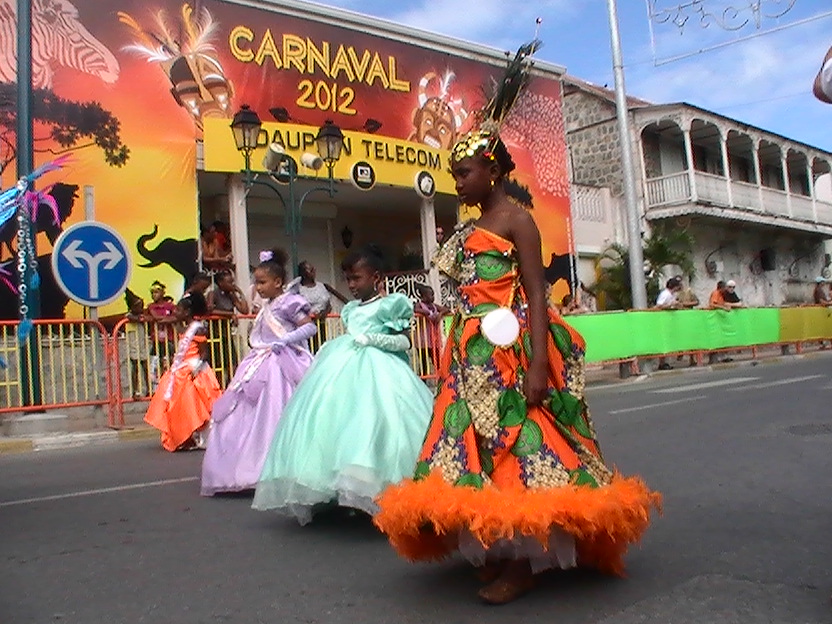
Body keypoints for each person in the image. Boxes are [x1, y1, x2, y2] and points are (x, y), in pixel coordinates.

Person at [373, 43, 660, 606]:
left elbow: (534, 297)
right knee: (477, 453)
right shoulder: (473, 224)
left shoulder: (518, 221)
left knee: (519, 450)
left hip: (505, 359)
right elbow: (463, 292)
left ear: (495, 169)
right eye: (454, 172)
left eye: (465, 171)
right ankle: (501, 549)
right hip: (468, 361)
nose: (458, 180)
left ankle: (525, 562)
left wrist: (534, 365)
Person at [252, 245, 433, 523]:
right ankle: (342, 489)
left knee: (381, 425)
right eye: (348, 279)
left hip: (383, 372)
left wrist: (373, 340)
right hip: (346, 370)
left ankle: (388, 491)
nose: (351, 285)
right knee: (338, 422)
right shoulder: (349, 310)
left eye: (357, 278)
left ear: (376, 277)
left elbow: (404, 342)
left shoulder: (392, 304)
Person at [201, 250, 317, 496]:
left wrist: (286, 340)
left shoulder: (289, 301)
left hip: (284, 363)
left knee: (275, 412)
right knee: (241, 410)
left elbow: (309, 328)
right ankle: (241, 467)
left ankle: (279, 466)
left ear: (277, 282)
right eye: (256, 282)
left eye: (262, 282)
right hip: (261, 361)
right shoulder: (267, 305)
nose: (258, 287)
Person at [144, 294, 221, 452]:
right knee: (176, 403)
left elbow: (204, 353)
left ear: (187, 312)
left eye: (179, 309)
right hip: (180, 368)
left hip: (194, 368)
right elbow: (173, 323)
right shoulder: (185, 325)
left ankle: (195, 434)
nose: (175, 311)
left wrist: (197, 368)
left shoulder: (198, 328)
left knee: (193, 405)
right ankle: (183, 435)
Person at [207, 270, 249, 384]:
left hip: (227, 332)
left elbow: (244, 311)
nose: (232, 284)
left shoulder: (230, 295)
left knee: (232, 362)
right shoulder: (213, 294)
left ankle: (231, 385)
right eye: (229, 282)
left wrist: (240, 293)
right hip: (215, 333)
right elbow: (209, 310)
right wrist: (229, 314)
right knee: (218, 363)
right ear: (220, 283)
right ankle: (218, 386)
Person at [297, 260, 349, 353]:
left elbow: (328, 305)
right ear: (303, 273)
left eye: (313, 269)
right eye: (310, 269)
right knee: (309, 350)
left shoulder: (322, 286)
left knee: (321, 348)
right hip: (306, 325)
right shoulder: (299, 290)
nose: (314, 271)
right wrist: (309, 315)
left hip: (321, 323)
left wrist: (324, 313)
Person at [413, 284, 449, 374]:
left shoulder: (434, 306)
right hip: (423, 340)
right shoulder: (419, 305)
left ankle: (441, 379)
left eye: (433, 294)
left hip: (434, 339)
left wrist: (440, 314)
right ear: (423, 296)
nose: (433, 297)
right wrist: (424, 312)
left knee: (437, 361)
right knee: (423, 363)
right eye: (430, 295)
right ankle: (423, 381)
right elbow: (415, 309)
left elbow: (446, 309)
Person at [147, 280, 177, 377]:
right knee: (155, 363)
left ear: (162, 293)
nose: (154, 295)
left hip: (169, 339)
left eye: (156, 292)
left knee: (170, 361)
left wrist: (166, 319)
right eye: (152, 293)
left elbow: (176, 316)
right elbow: (154, 316)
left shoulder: (170, 306)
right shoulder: (151, 306)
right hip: (156, 340)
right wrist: (166, 319)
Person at [124, 290, 151, 400]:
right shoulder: (129, 315)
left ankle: (149, 389)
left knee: (145, 366)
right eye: (139, 307)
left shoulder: (140, 315)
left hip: (142, 343)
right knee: (135, 367)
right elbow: (139, 319)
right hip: (134, 344)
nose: (141, 309)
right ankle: (135, 391)